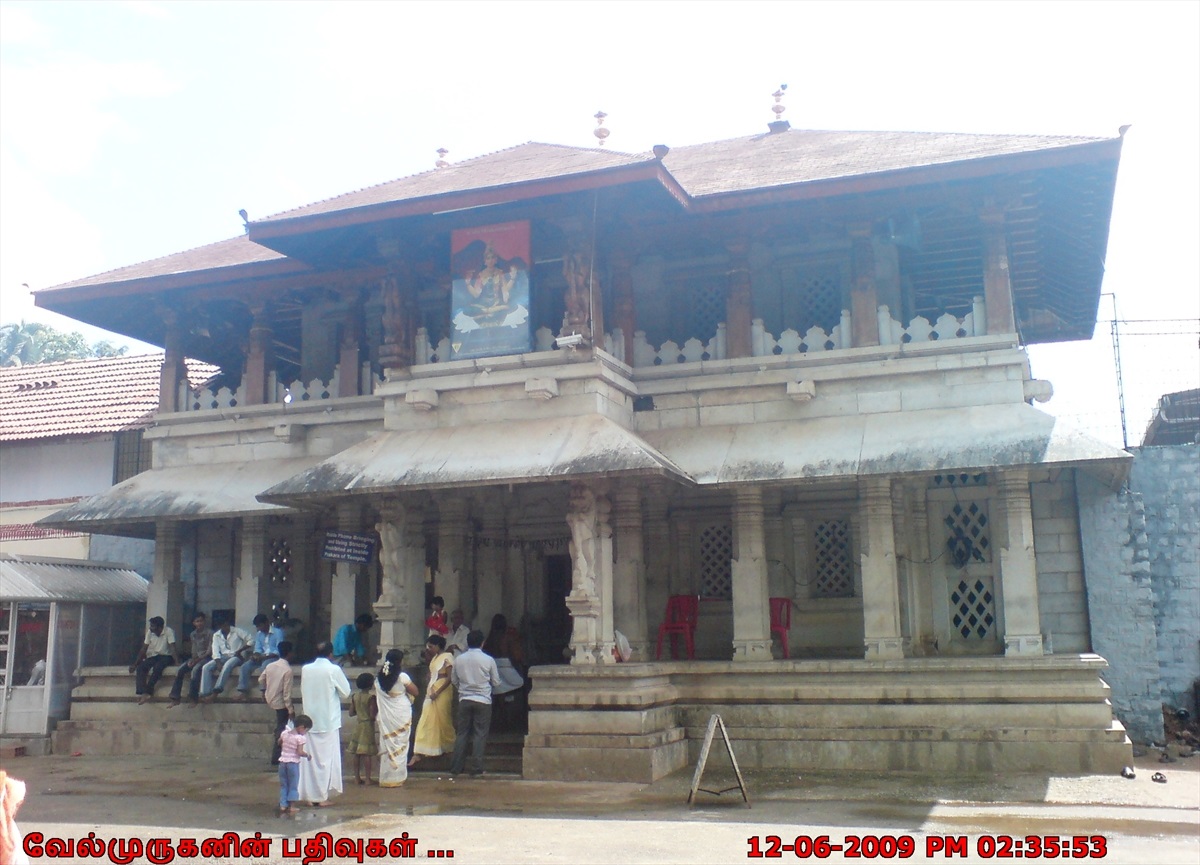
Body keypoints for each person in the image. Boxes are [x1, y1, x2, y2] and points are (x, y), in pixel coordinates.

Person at [299, 641, 351, 806]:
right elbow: (346, 692)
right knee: (326, 760)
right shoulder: (333, 669)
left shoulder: (306, 669)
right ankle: (321, 797)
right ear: (331, 654)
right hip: (327, 721)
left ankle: (309, 795)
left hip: (309, 721)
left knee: (310, 760)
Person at [449, 629, 501, 777]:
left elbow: (454, 680)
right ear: (482, 643)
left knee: (462, 733)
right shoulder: (488, 660)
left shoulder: (459, 659)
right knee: (480, 734)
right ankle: (476, 768)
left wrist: (463, 690)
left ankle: (456, 767)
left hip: (464, 699)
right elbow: (496, 682)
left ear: (467, 643)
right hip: (483, 700)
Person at [409, 634, 455, 767]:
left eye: (431, 646)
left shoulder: (448, 657)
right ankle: (418, 752)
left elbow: (449, 678)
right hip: (432, 691)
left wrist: (438, 692)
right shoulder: (435, 658)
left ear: (438, 646)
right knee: (426, 719)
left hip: (443, 692)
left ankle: (447, 748)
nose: (429, 649)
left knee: (443, 720)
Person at [374, 649, 417, 788]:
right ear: (400, 661)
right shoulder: (402, 676)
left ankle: (386, 778)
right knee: (401, 744)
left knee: (388, 745)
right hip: (401, 714)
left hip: (387, 716)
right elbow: (415, 691)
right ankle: (397, 777)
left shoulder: (379, 679)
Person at [199, 616, 253, 702]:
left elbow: (251, 640)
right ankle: (205, 693)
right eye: (222, 626)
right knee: (206, 667)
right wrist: (218, 662)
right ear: (219, 627)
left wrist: (240, 650)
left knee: (227, 665)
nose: (225, 627)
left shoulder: (237, 631)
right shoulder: (216, 635)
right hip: (223, 656)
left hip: (237, 656)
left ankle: (216, 691)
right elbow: (215, 650)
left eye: (226, 625)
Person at [129, 616, 179, 704]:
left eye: (153, 626)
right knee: (141, 668)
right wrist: (135, 664)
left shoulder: (168, 631)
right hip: (155, 655)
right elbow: (144, 649)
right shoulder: (150, 632)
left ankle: (148, 692)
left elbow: (172, 647)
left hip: (167, 656)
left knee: (158, 668)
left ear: (160, 627)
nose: (151, 628)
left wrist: (177, 662)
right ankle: (141, 692)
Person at [168, 613, 213, 707]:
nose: (199, 623)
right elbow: (194, 649)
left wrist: (196, 661)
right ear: (194, 623)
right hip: (196, 658)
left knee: (195, 670)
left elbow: (209, 651)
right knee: (180, 670)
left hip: (208, 658)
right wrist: (192, 659)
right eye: (197, 621)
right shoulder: (193, 634)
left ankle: (193, 698)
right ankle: (175, 698)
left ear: (204, 621)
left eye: (201, 621)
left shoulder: (210, 633)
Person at [261, 641, 295, 765]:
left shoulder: (270, 665)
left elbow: (261, 679)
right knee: (282, 729)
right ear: (290, 653)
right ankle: (277, 756)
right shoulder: (287, 670)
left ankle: (278, 755)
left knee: (280, 727)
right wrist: (291, 710)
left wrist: (264, 691)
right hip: (281, 703)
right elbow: (287, 694)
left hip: (271, 698)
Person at [236, 613, 284, 700]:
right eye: (257, 626)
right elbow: (258, 648)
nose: (259, 628)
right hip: (261, 657)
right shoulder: (259, 634)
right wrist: (255, 655)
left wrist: (265, 657)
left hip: (274, 657)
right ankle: (243, 691)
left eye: (260, 626)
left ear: (266, 623)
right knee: (245, 667)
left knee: (264, 666)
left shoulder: (278, 632)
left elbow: (279, 650)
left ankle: (263, 691)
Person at [277, 714, 311, 815]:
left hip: (282, 762)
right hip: (293, 764)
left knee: (284, 785)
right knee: (293, 785)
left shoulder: (285, 733)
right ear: (301, 727)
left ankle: (283, 805)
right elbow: (299, 752)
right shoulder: (300, 738)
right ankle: (292, 806)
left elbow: (279, 742)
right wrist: (307, 755)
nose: (305, 733)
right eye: (306, 730)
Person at [348, 672, 378, 785]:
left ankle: (356, 778)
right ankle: (368, 779)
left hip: (358, 724)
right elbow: (371, 715)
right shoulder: (371, 697)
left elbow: (351, 712)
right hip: (367, 726)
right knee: (366, 753)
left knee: (357, 753)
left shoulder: (355, 696)